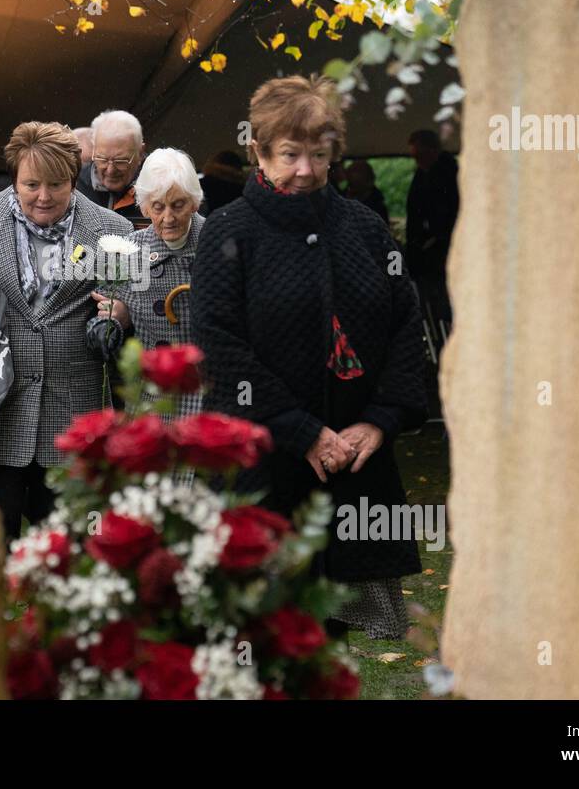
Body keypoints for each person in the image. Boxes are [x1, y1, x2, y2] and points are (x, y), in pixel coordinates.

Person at [193, 74, 429, 640]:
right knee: (266, 637)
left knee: (336, 643)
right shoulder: (230, 230)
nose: (306, 170)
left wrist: (381, 420)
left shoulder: (365, 228)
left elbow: (405, 325)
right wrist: (303, 431)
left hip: (355, 471)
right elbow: (218, 344)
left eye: (319, 156)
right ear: (259, 151)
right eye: (291, 155)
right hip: (269, 471)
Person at [0, 122, 133, 540]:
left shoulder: (113, 231)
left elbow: (129, 298)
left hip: (73, 416)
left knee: (70, 553)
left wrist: (121, 313)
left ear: (74, 178)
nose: (43, 196)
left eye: (56, 184)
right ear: (13, 177)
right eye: (31, 184)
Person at [87, 147, 205, 417]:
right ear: (144, 206)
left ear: (194, 202)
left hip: (208, 397)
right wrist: (113, 321)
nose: (168, 218)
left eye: (178, 204)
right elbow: (100, 338)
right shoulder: (127, 252)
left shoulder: (218, 243)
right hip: (154, 403)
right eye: (158, 206)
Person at [404, 129, 459, 335]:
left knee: (444, 303)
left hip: (441, 252)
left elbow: (449, 212)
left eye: (419, 154)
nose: (416, 159)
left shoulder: (448, 174)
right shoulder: (422, 174)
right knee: (431, 304)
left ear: (432, 150)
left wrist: (435, 237)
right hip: (425, 255)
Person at [75, 110, 145, 223]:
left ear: (140, 153)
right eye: (102, 159)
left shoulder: (155, 187)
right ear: (94, 150)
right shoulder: (75, 186)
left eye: (120, 161)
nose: (110, 170)